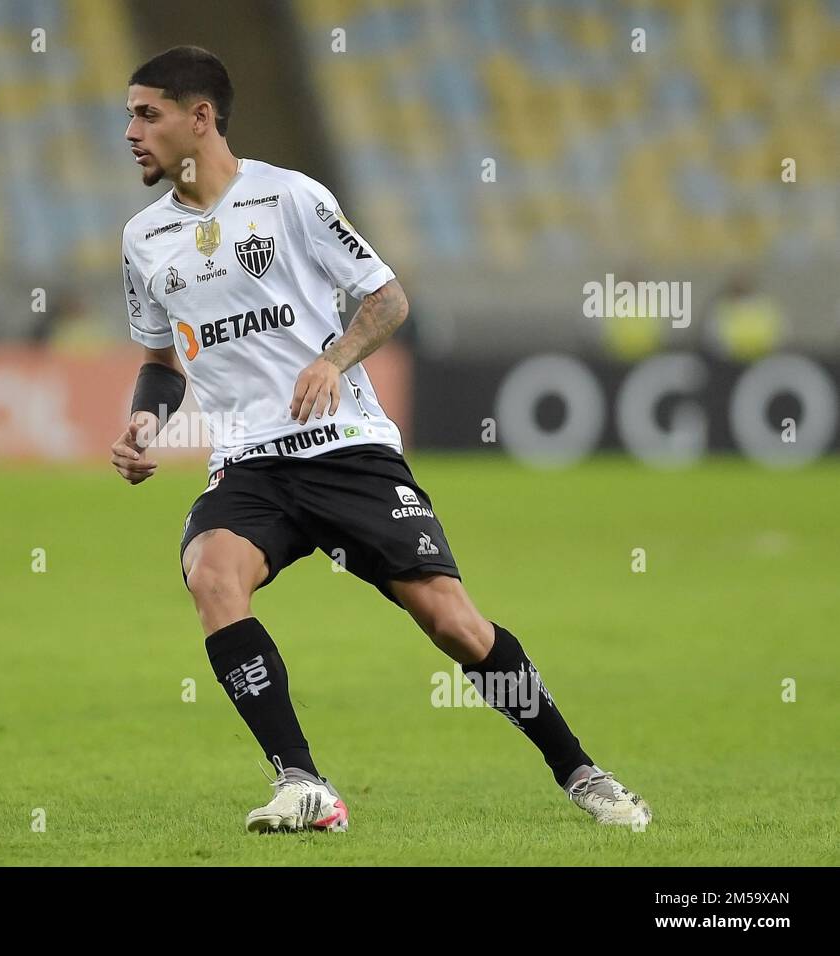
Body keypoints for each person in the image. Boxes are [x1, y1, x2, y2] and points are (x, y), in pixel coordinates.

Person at [112, 46, 650, 832]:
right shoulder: (144, 238)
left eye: (146, 114)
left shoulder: (291, 198)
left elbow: (388, 298)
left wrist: (334, 360)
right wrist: (144, 420)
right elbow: (161, 362)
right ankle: (302, 784)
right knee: (211, 575)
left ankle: (581, 772)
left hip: (345, 445)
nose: (130, 131)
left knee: (454, 624)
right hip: (248, 462)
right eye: (129, 114)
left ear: (201, 119)